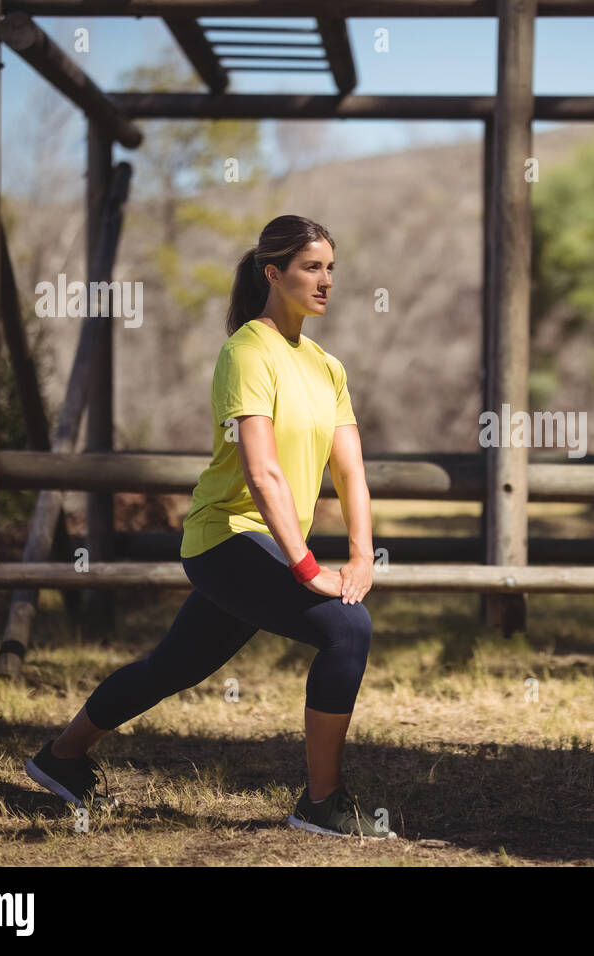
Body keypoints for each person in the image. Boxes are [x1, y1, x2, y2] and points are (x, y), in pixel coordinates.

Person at [25, 215, 395, 838]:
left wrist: (361, 557)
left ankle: (60, 757)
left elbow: (352, 473)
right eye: (312, 267)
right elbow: (262, 473)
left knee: (172, 668)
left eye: (331, 267)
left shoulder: (328, 368)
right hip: (225, 539)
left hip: (264, 545)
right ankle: (322, 804)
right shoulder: (247, 351)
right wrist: (308, 567)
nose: (326, 280)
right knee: (346, 628)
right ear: (273, 273)